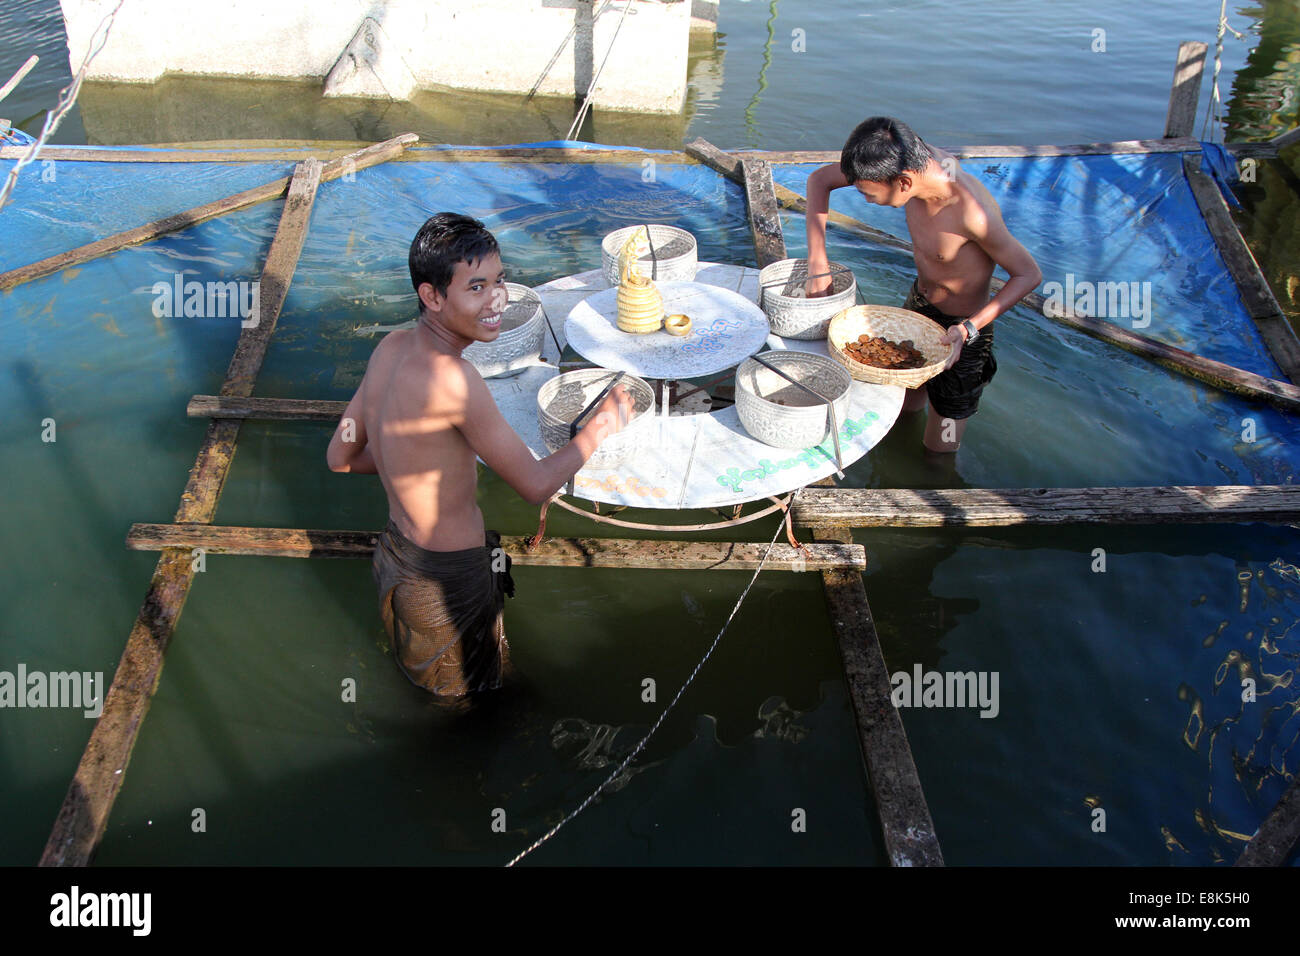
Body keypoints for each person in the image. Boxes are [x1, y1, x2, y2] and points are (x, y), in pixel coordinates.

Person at [326, 212, 633, 705]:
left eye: (500, 280)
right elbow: (534, 485)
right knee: (473, 707)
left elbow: (341, 453)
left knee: (449, 692)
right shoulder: (454, 379)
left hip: (396, 558)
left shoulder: (389, 348)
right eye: (476, 287)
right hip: (445, 583)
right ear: (432, 296)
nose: (496, 300)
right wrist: (601, 427)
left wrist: (405, 459)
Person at [804, 117, 1041, 453]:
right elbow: (818, 180)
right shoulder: (905, 157)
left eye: (867, 193)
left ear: (903, 183)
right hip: (917, 311)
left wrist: (969, 329)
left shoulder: (971, 213)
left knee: (941, 442)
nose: (865, 199)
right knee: (899, 407)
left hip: (964, 330)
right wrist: (818, 262)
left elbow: (1029, 274)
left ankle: (934, 484)